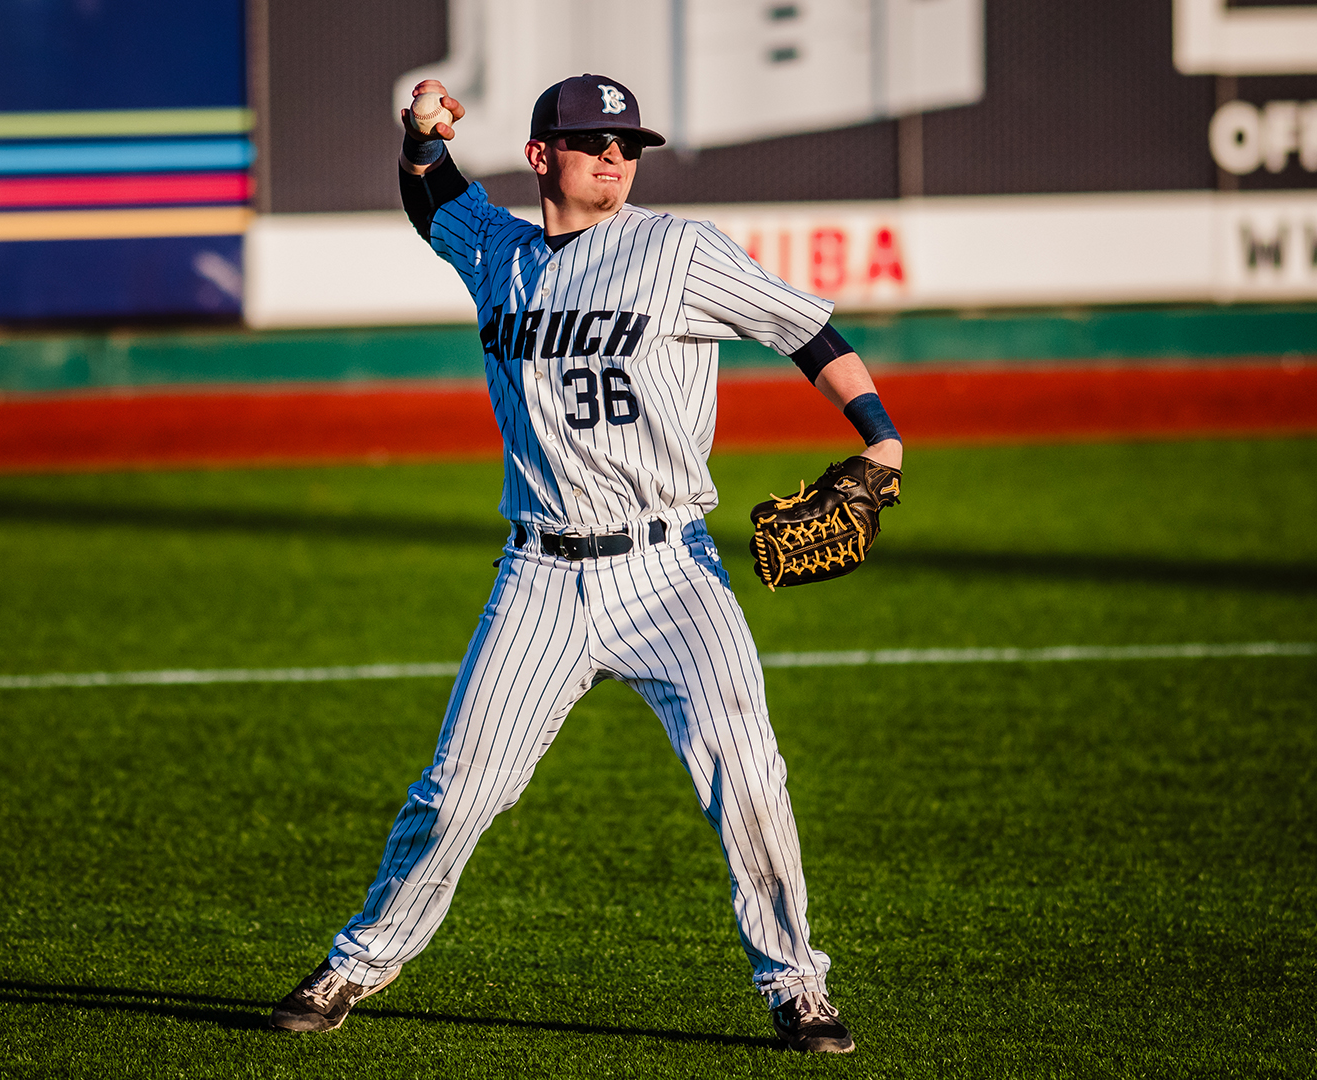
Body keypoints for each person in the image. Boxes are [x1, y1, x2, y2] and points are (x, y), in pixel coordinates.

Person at [268, 73, 903, 1055]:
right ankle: (360, 960)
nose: (616, 157)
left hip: (669, 569)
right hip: (538, 576)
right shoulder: (499, 253)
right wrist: (421, 134)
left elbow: (804, 327)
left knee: (749, 774)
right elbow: (435, 198)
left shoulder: (677, 250)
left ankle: (795, 986)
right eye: (594, 141)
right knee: (458, 788)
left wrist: (881, 439)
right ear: (541, 157)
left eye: (629, 144)